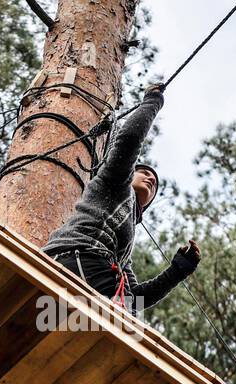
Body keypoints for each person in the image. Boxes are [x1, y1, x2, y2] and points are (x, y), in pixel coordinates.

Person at [42, 83, 200, 314]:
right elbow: (129, 139)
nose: (151, 179)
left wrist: (178, 270)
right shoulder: (114, 184)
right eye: (144, 172)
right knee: (127, 319)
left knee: (130, 309)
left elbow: (137, 298)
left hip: (92, 273)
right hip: (75, 260)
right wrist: (153, 101)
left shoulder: (123, 250)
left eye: (155, 182)